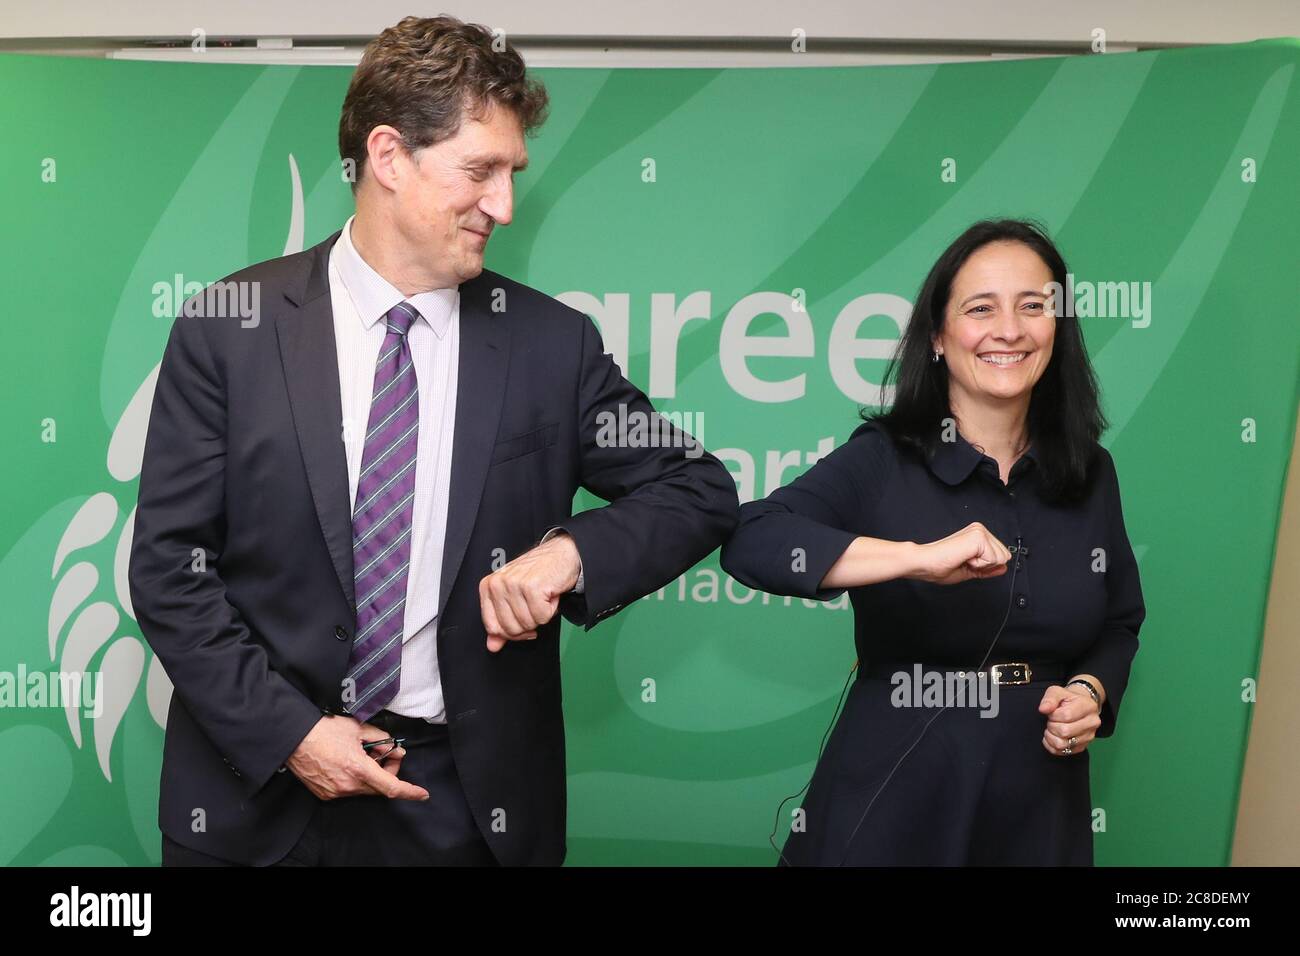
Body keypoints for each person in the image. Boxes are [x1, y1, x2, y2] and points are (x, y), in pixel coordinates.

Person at [129, 15, 738, 867]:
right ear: (388, 155)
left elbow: (697, 488)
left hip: (462, 810)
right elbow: (168, 571)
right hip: (255, 802)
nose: (505, 204)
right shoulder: (230, 328)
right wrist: (296, 734)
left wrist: (569, 552)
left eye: (513, 173)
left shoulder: (548, 345)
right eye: (480, 170)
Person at [720, 219, 1144, 865]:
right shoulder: (884, 459)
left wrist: (1089, 693)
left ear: (1057, 330)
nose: (1010, 329)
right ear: (939, 336)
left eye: (1033, 306)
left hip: (1039, 804)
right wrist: (914, 559)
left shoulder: (1089, 473)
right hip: (897, 791)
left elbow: (1119, 621)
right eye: (981, 309)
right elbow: (752, 538)